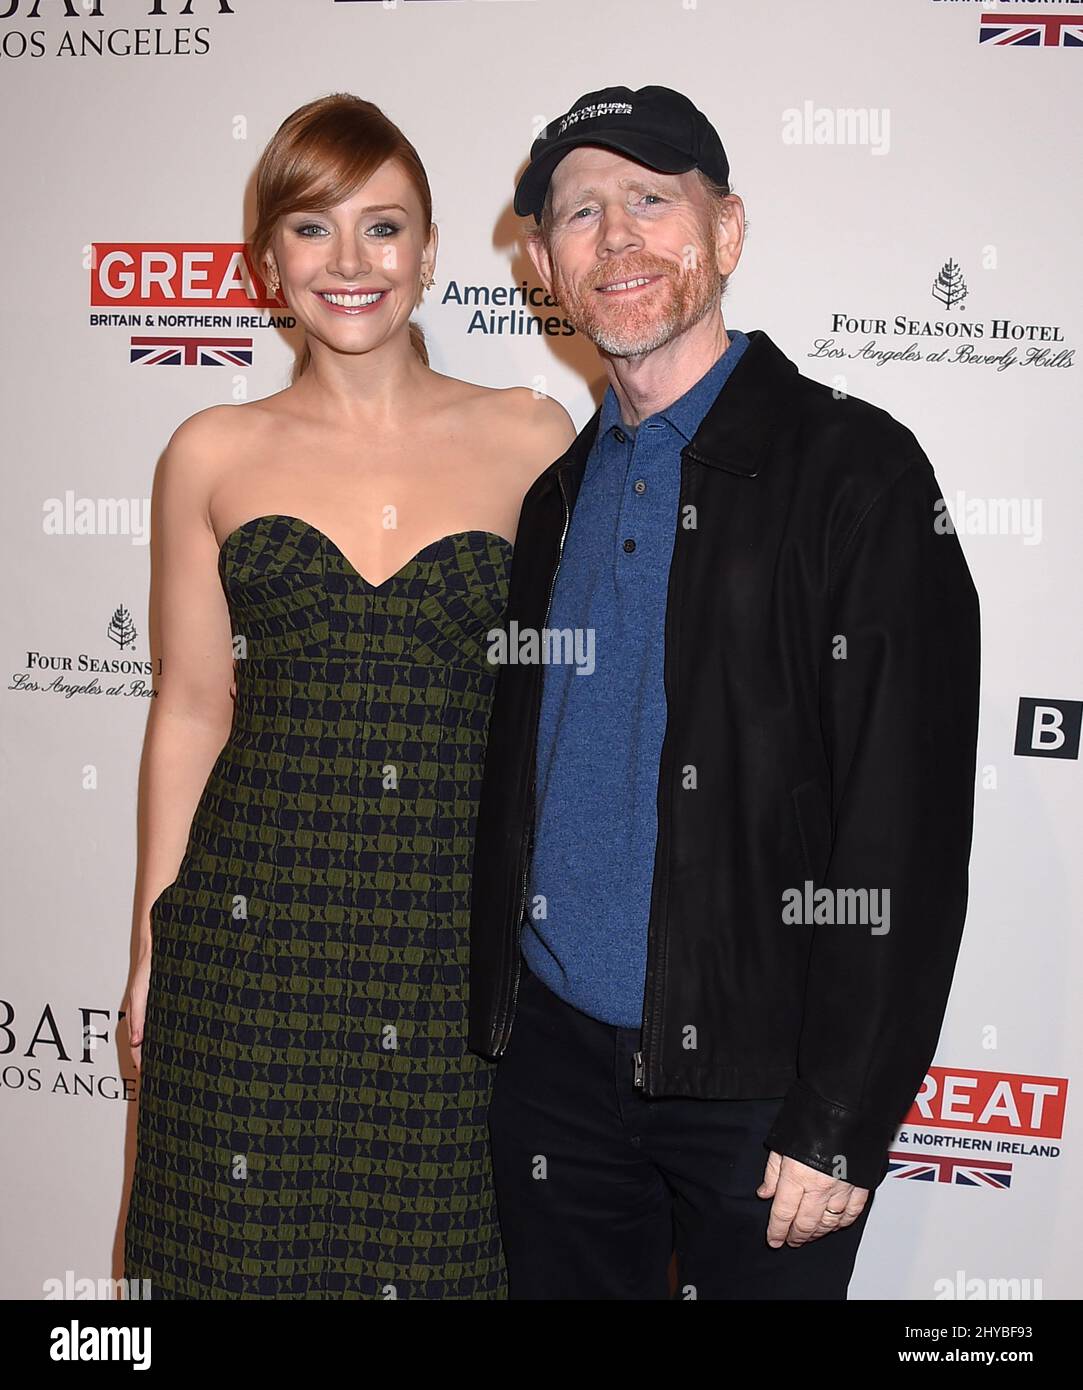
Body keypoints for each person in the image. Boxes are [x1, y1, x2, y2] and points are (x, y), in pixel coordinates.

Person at [469, 85, 981, 1299]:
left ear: (728, 232)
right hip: (553, 1064)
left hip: (763, 1085)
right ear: (544, 263)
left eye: (653, 198)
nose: (620, 237)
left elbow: (901, 820)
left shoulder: (856, 470)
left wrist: (843, 1112)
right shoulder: (554, 498)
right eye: (581, 212)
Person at [122, 91, 575, 1299]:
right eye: (313, 228)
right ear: (267, 262)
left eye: (384, 228)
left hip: (447, 956)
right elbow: (190, 709)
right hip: (248, 946)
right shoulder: (210, 451)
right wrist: (151, 951)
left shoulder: (532, 437)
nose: (351, 261)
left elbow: (569, 714)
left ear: (431, 254)